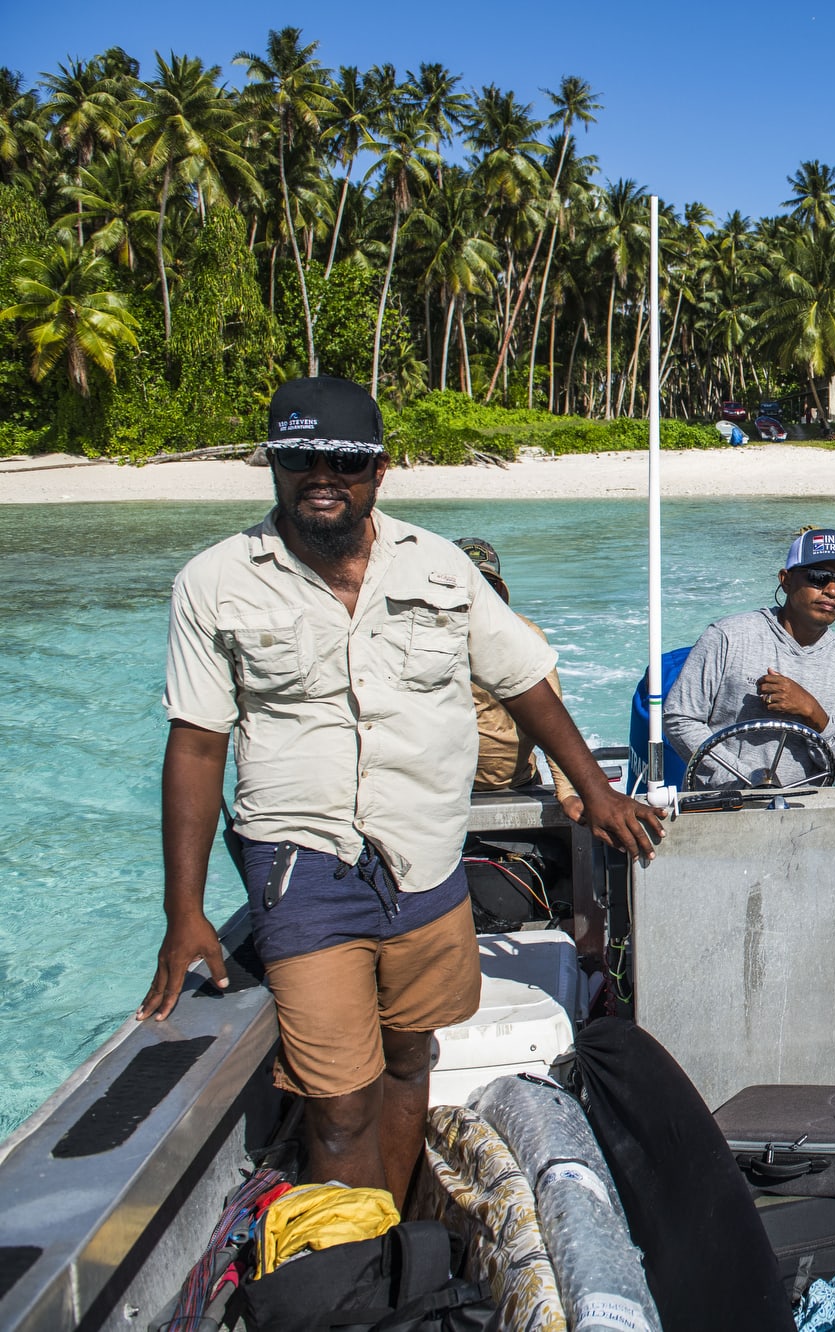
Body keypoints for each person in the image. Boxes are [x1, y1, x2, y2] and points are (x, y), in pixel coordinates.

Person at [139, 376, 662, 1209]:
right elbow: (199, 746)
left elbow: (524, 681)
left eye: (343, 460)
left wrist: (595, 790)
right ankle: (353, 1268)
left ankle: (392, 1248)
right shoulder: (215, 582)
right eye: (300, 457)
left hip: (426, 864)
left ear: (378, 471)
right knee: (339, 1100)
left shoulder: (441, 565)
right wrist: (185, 911)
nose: (322, 475)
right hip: (301, 868)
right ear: (272, 466)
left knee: (412, 1060)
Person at [663, 526, 835, 787]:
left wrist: (813, 714)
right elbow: (679, 718)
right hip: (723, 805)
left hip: (809, 814)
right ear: (786, 580)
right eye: (819, 577)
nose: (832, 591)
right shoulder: (728, 636)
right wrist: (744, 780)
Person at [452, 536, 585, 812]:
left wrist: (567, 790)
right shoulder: (427, 639)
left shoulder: (526, 636)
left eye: (486, 587)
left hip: (519, 784)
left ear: (500, 591)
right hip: (447, 788)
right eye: (467, 586)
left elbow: (552, 714)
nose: (476, 597)